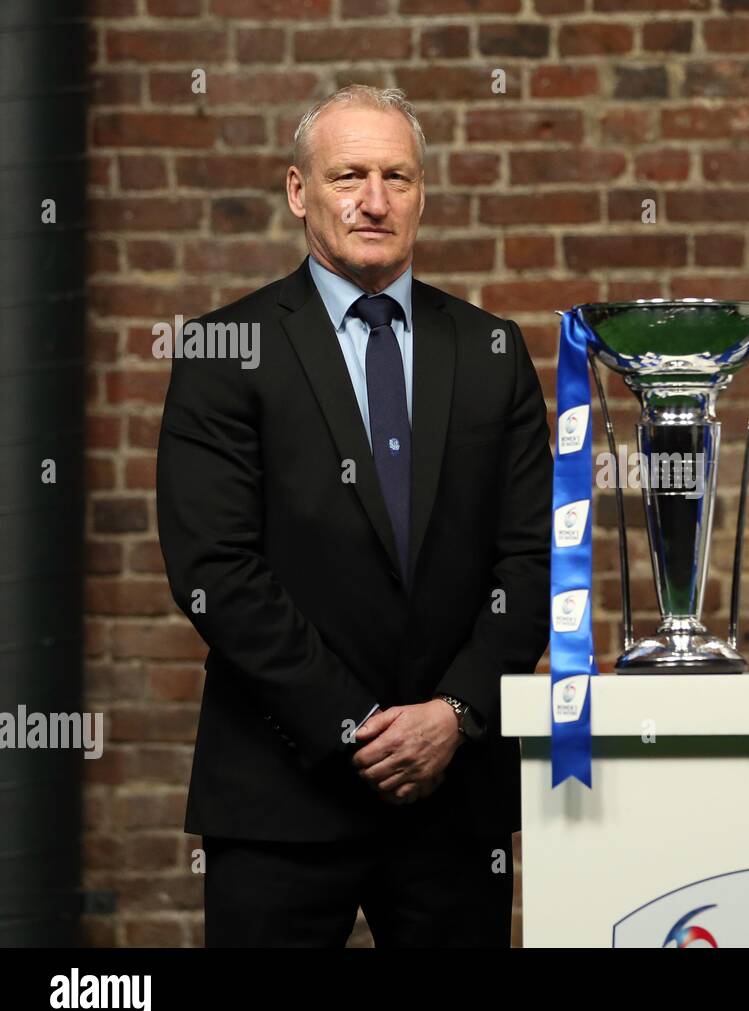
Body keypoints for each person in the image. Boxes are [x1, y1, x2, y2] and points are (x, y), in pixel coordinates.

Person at [156, 85, 552, 947]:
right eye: (349, 176)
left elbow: (534, 562)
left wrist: (452, 715)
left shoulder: (492, 352)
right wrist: (359, 731)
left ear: (421, 193)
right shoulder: (226, 354)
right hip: (279, 798)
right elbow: (216, 572)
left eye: (397, 177)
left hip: (454, 801)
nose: (375, 201)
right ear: (300, 191)